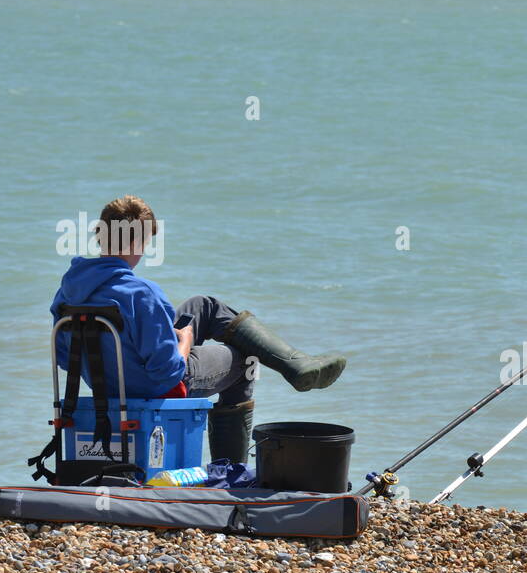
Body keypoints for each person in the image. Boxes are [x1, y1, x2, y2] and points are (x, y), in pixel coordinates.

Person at [49, 195, 346, 463]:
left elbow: (65, 359)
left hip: (110, 388)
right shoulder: (142, 293)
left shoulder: (68, 290)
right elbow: (166, 372)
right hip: (154, 388)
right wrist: (185, 342)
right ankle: (230, 468)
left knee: (202, 305)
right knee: (246, 358)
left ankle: (297, 363)